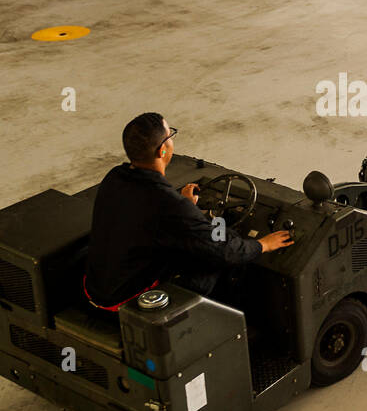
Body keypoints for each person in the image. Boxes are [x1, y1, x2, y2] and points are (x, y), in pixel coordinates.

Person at [84, 112, 292, 310]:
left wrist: (185, 206)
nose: (172, 139)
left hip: (97, 287)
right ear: (162, 150)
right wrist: (262, 245)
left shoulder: (115, 177)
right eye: (170, 135)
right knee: (218, 259)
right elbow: (224, 251)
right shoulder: (170, 205)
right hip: (127, 299)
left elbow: (147, 214)